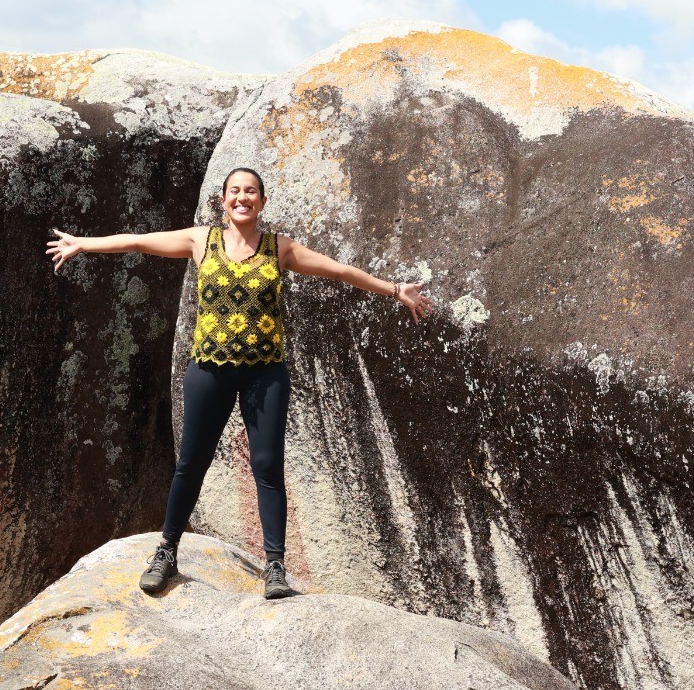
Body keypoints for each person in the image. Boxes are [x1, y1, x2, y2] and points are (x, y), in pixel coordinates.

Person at [46, 167, 434, 599]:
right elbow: (138, 241)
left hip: (264, 373)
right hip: (209, 370)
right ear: (223, 200)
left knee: (267, 466)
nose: (242, 197)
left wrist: (395, 289)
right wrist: (83, 244)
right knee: (191, 463)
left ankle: (275, 567)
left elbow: (340, 271)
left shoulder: (279, 248)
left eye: (251, 191)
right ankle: (166, 552)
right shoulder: (201, 240)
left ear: (262, 202)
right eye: (235, 191)